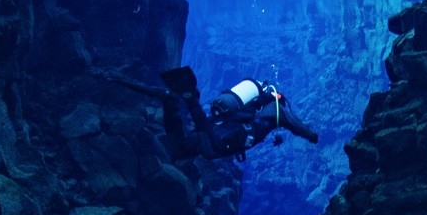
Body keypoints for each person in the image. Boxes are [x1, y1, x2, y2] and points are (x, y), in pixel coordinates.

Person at [118, 66, 318, 161]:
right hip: (225, 138)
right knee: (210, 149)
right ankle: (190, 98)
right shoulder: (276, 111)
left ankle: (169, 103)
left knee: (179, 150)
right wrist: (312, 135)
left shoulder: (248, 110)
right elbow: (296, 125)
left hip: (218, 129)